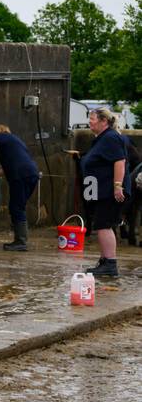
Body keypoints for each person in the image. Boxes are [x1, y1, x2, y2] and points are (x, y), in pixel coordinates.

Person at [74, 106, 130, 277]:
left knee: (104, 225)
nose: (89, 123)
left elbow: (119, 161)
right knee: (103, 224)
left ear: (103, 121)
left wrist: (118, 186)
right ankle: (105, 261)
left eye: (92, 119)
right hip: (100, 190)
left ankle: (110, 263)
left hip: (109, 191)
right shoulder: (102, 138)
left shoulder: (111, 138)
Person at [0, 125, 40, 251]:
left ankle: (20, 242)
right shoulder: (15, 142)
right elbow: (5, 170)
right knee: (18, 206)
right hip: (31, 174)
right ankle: (20, 240)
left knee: (16, 207)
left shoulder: (1, 136)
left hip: (21, 176)